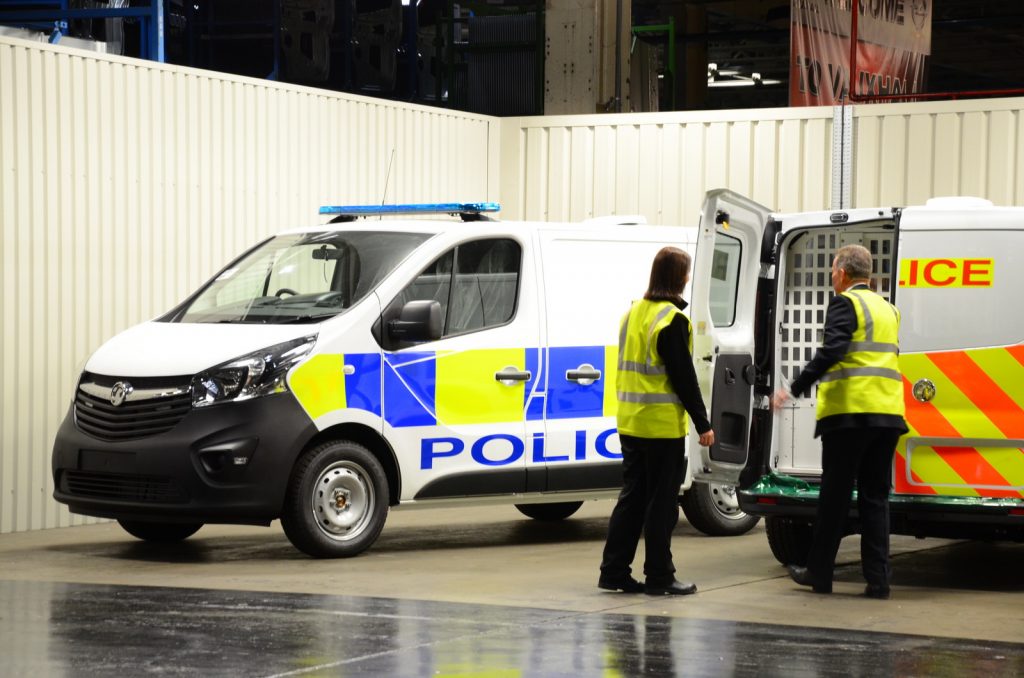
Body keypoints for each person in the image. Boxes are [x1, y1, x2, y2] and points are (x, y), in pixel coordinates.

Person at [772, 244, 908, 599]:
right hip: (888, 416)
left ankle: (820, 574)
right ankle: (879, 581)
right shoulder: (889, 310)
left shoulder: (845, 303)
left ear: (844, 274)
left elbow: (832, 351)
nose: (832, 277)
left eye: (833, 271)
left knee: (834, 497)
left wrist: (794, 388)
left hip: (850, 416)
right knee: (875, 499)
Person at [599, 246, 715, 596]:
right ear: (679, 277)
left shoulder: (632, 314)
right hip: (661, 426)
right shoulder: (671, 320)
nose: (689, 277)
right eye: (687, 272)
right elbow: (684, 378)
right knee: (662, 504)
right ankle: (659, 576)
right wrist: (703, 423)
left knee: (632, 497)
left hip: (631, 421)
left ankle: (614, 571)